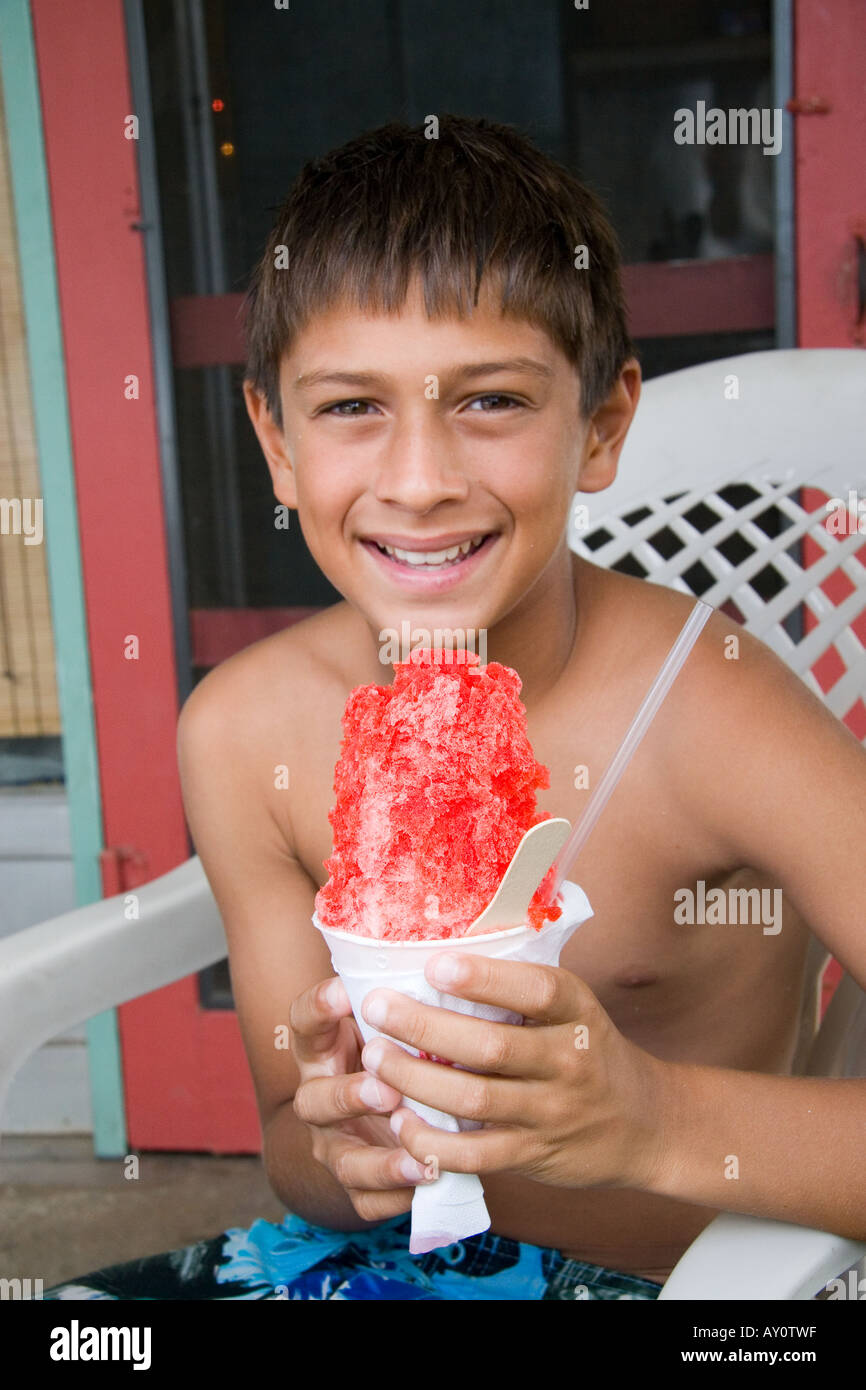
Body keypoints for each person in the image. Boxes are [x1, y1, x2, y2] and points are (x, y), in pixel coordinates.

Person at [44, 114, 866, 1300]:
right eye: (347, 408)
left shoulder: (711, 710)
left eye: (489, 401)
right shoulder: (242, 730)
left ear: (600, 425)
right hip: (367, 1266)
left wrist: (652, 1121)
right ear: (274, 444)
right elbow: (293, 1139)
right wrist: (343, 1148)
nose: (420, 480)